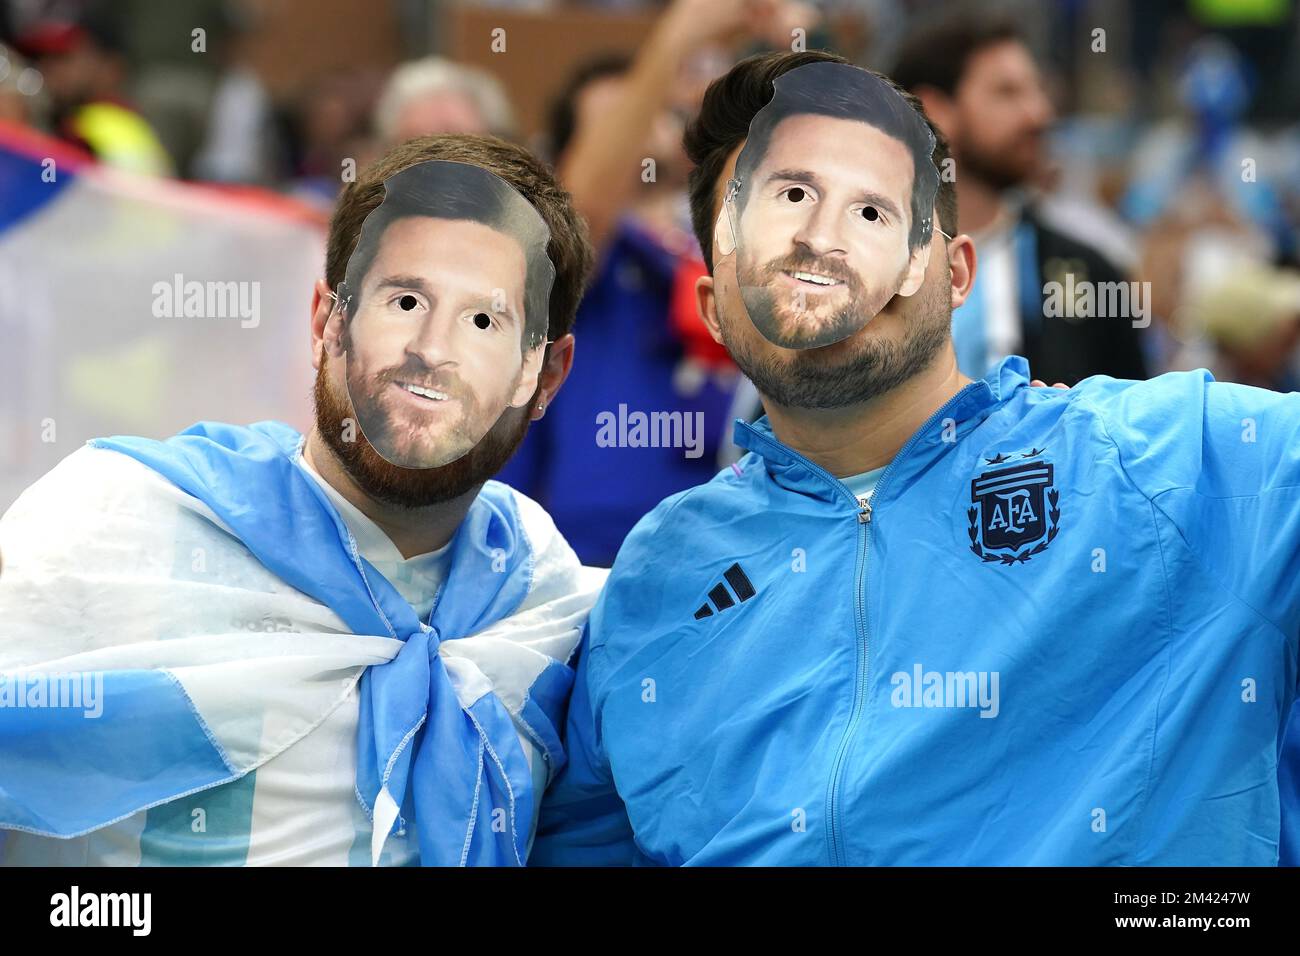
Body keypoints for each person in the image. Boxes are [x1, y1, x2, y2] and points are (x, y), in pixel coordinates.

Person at [531, 50, 1300, 866]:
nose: (821, 245)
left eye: (873, 213)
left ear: (956, 271)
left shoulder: (1173, 460)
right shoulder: (656, 579)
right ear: (715, 309)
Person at [0, 133, 600, 866]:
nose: (430, 350)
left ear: (545, 377)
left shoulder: (544, 597)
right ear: (326, 323)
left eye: (484, 321)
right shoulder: (120, 521)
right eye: (404, 299)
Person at [890, 10, 1148, 385]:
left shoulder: (1091, 274)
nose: (1039, 114)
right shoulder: (864, 263)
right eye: (1007, 93)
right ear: (935, 110)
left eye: (1037, 90)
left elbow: (1131, 424)